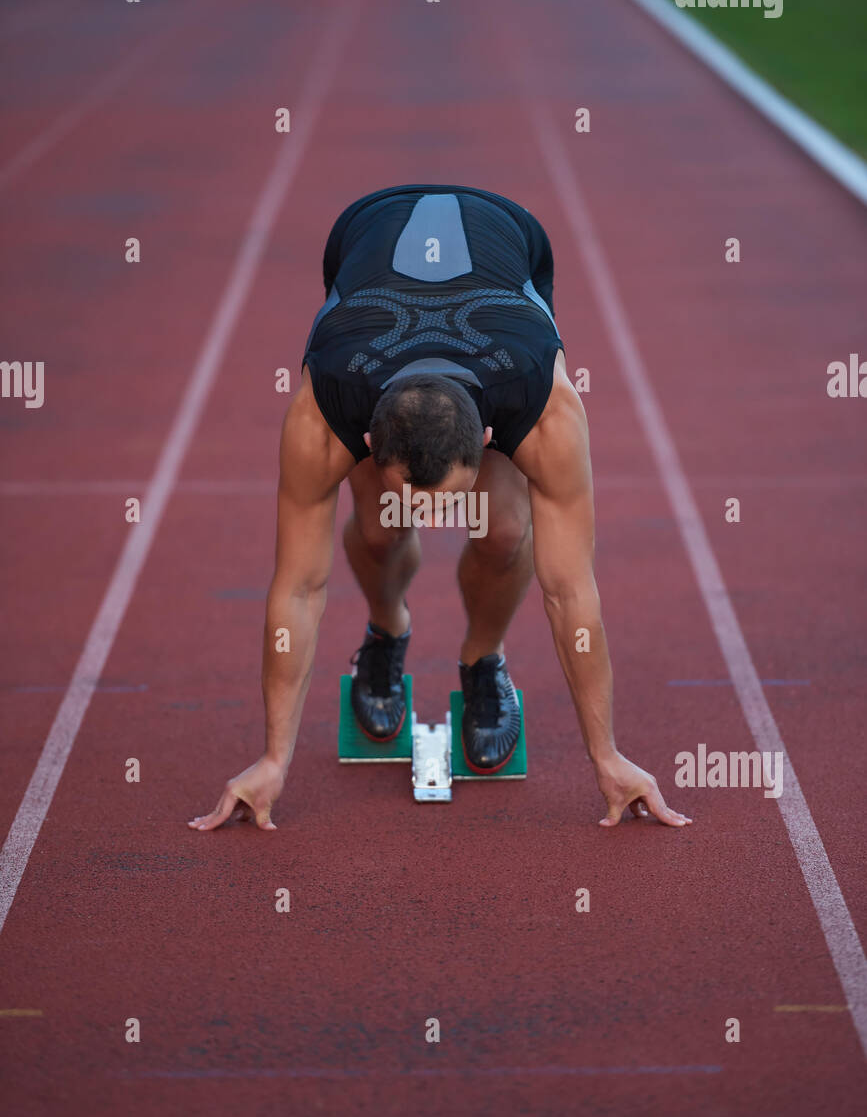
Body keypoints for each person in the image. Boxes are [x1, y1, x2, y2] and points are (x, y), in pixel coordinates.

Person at [189, 184, 692, 832]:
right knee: (376, 531)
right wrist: (272, 759)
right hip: (362, 240)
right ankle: (385, 631)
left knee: (507, 532)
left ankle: (484, 661)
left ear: (488, 441)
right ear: (367, 444)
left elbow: (570, 591)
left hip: (511, 241)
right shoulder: (324, 411)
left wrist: (607, 755)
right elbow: (299, 587)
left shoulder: (541, 406)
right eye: (414, 499)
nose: (434, 518)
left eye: (449, 500)